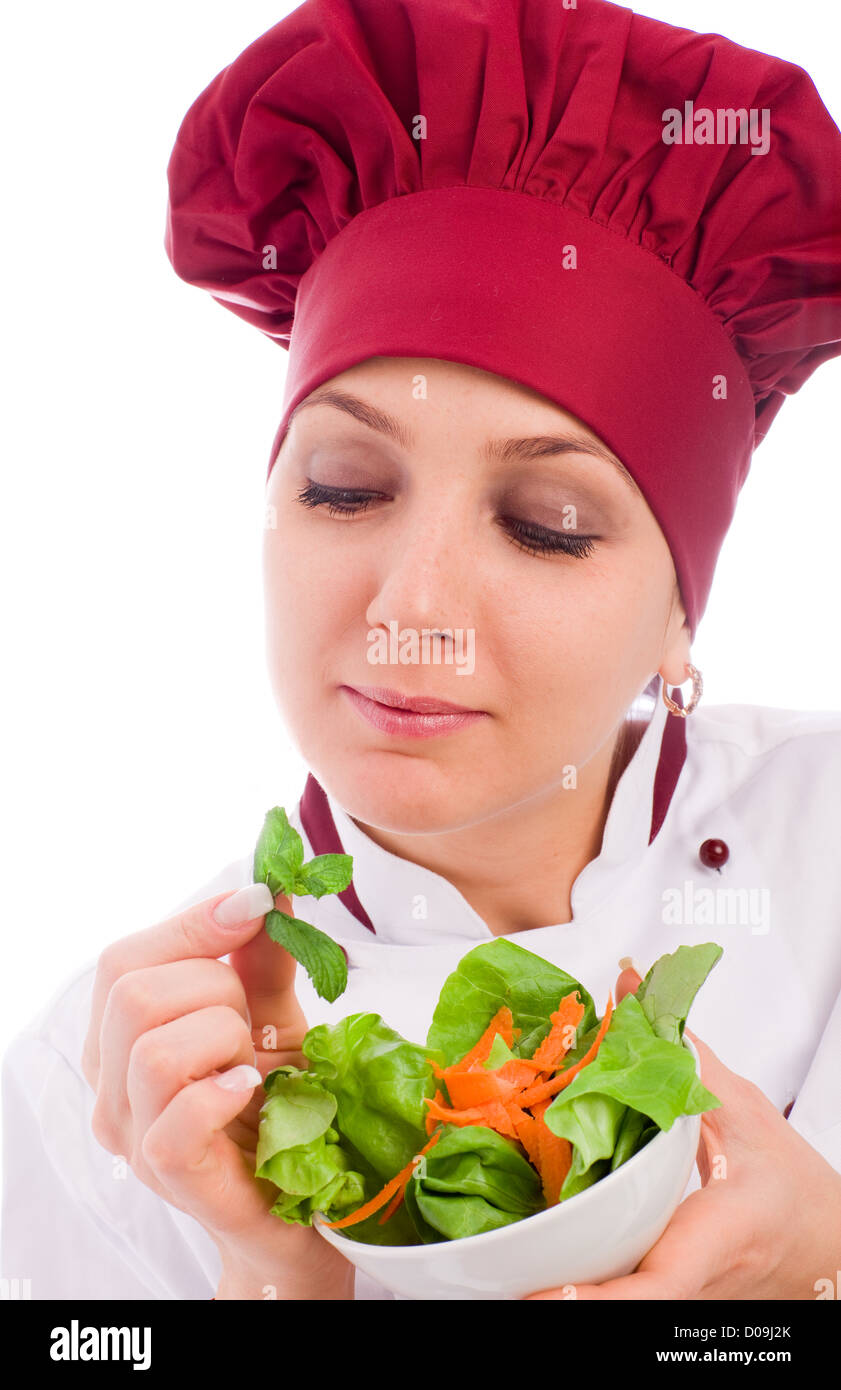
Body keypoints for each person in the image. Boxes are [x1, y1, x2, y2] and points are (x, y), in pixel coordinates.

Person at [3, 0, 841, 1301]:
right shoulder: (112, 1077)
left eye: (547, 525)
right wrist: (276, 1269)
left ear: (682, 614)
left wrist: (820, 1264)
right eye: (343, 487)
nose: (413, 600)